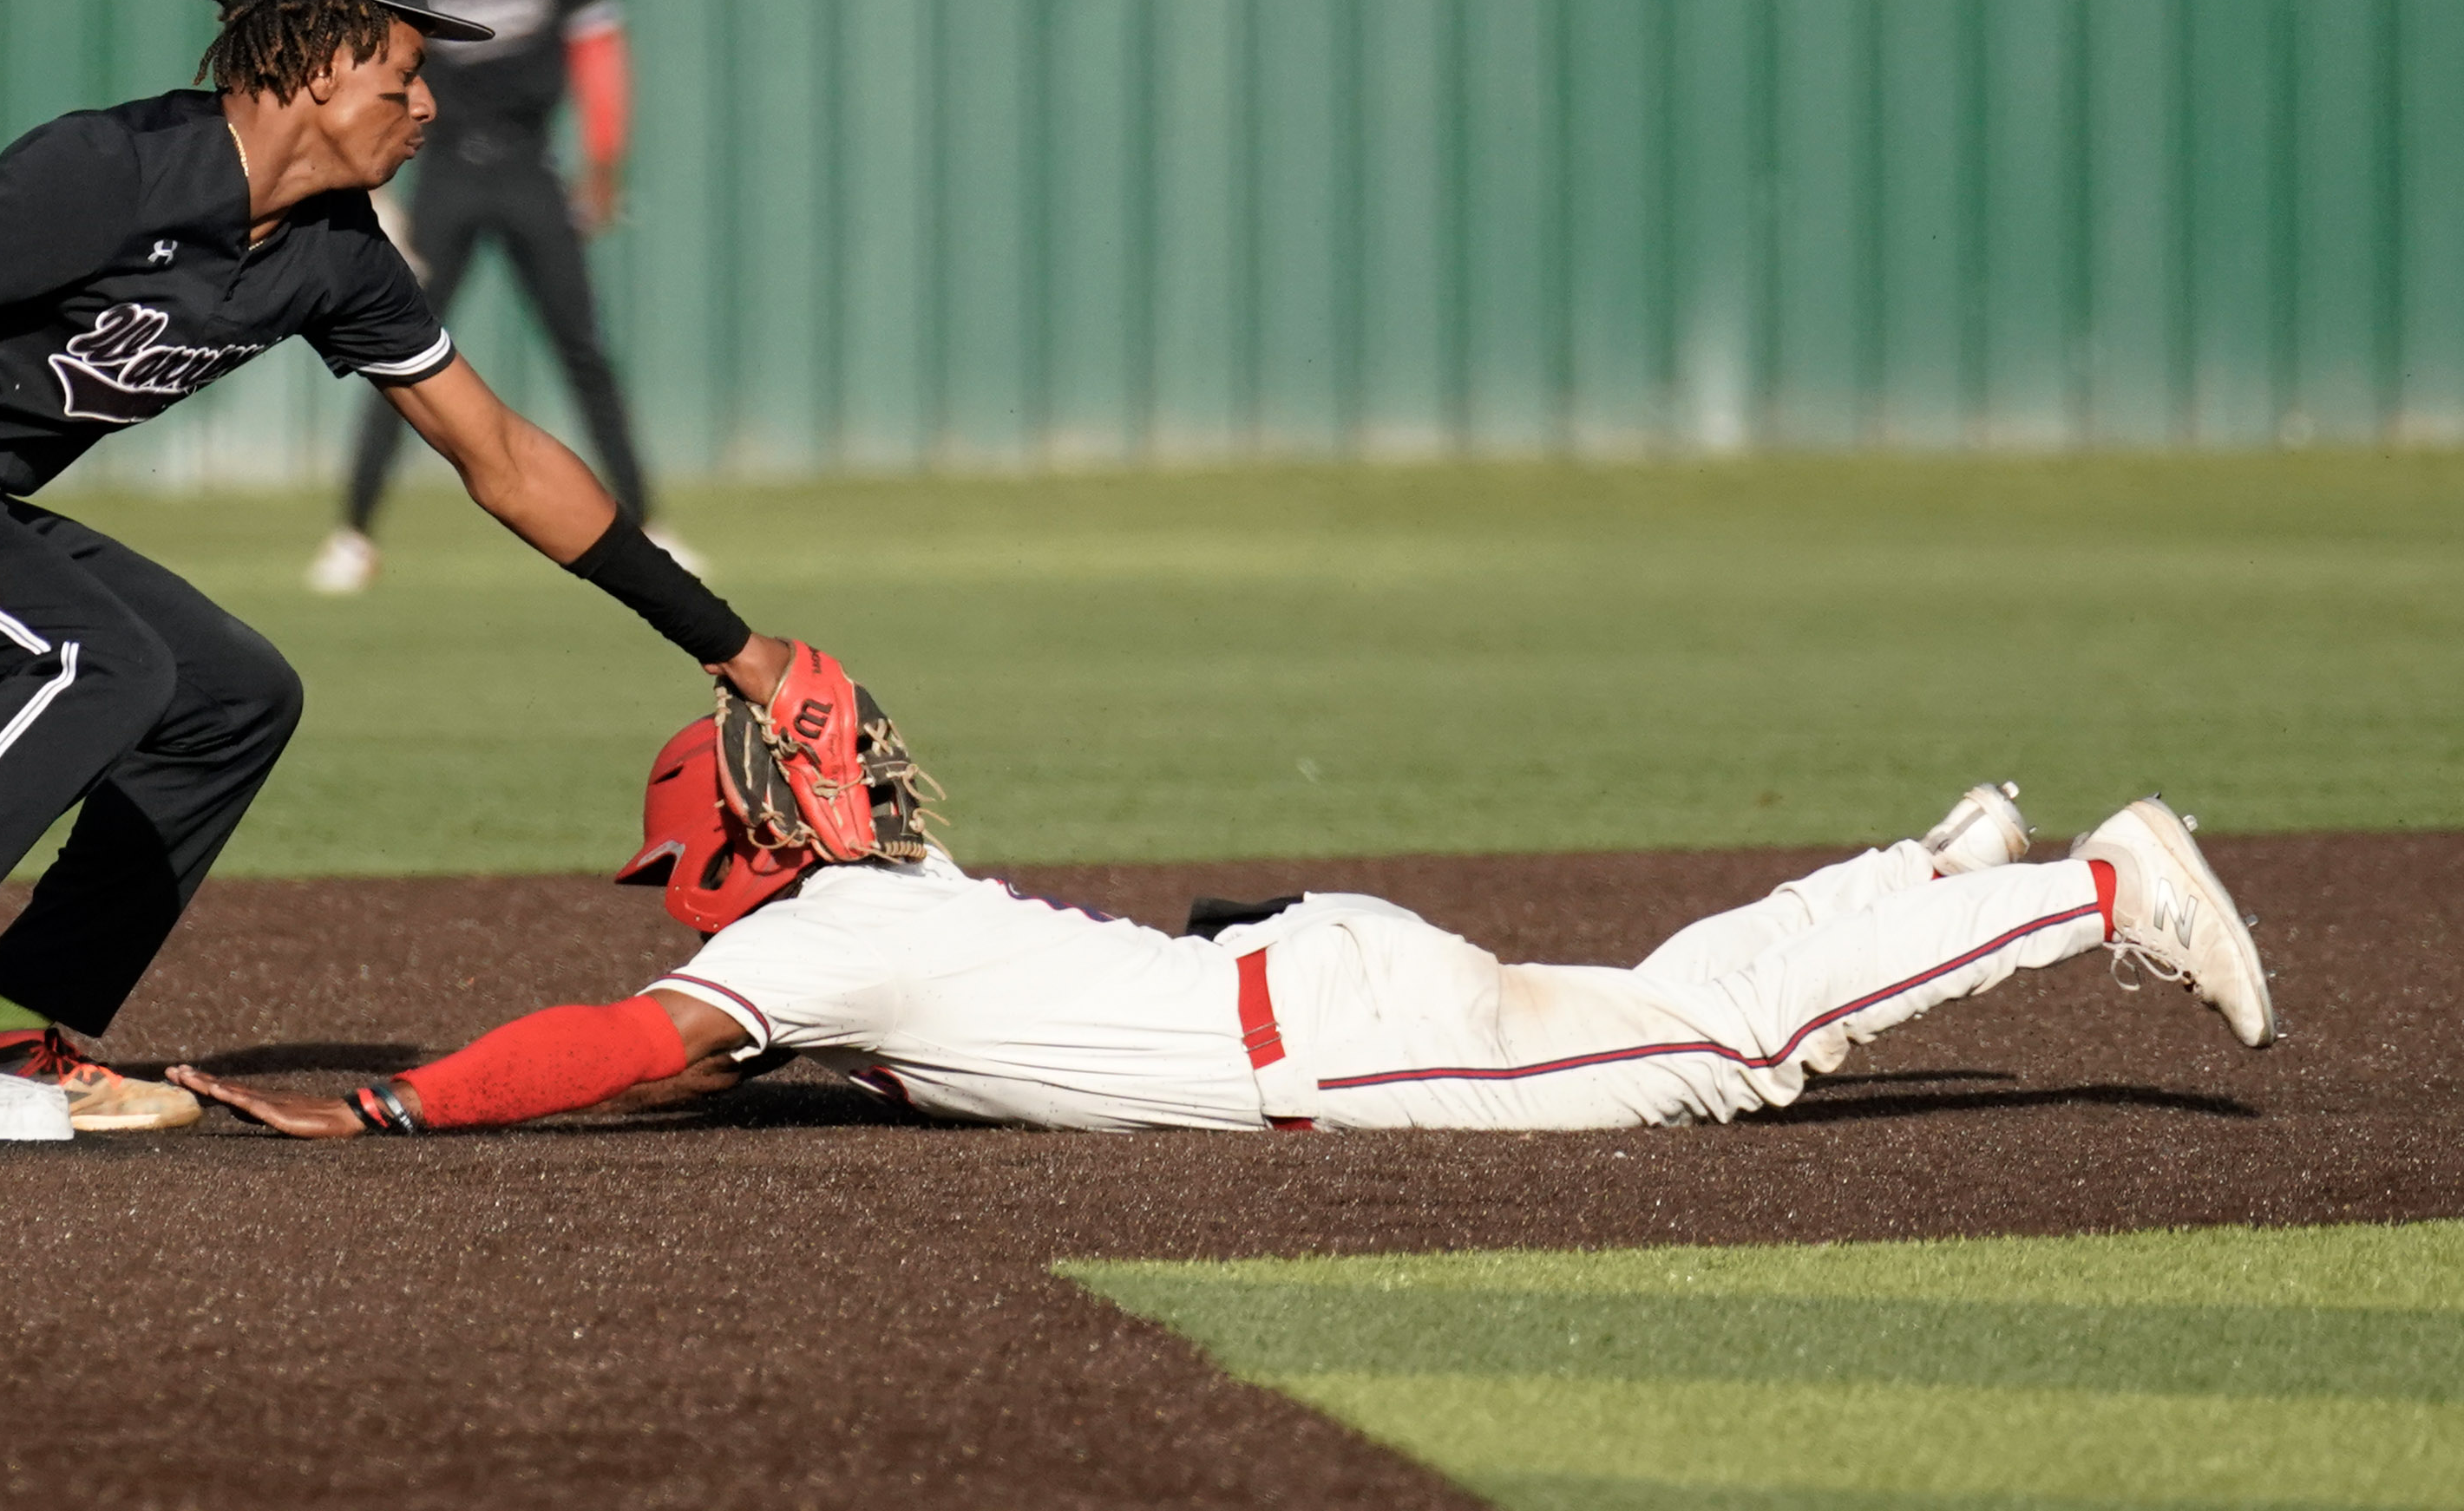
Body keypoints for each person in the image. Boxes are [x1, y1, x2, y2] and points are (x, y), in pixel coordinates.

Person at [0, 0, 810, 1135]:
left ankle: (6, 1025)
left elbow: (498, 453)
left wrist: (731, 642)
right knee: (103, 660)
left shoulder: (336, 256)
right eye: (404, 70)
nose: (429, 103)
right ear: (325, 57)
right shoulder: (113, 171)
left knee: (233, 694)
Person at [174, 758, 2277, 1142]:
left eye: (688, 861)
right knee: (1643, 993)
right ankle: (1922, 873)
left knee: (1712, 1051)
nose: (688, 895)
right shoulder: (880, 900)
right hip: (1327, 964)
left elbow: (625, 1042)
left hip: (1333, 1036)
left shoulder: (814, 935)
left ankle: (2083, 892)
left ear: (736, 843)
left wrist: (393, 1097)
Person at [306, 0, 693, 595]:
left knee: (582, 347)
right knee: (396, 345)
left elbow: (599, 52)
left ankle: (650, 524)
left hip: (529, 168)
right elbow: (378, 66)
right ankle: (353, 535)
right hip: (443, 167)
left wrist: (605, 159)